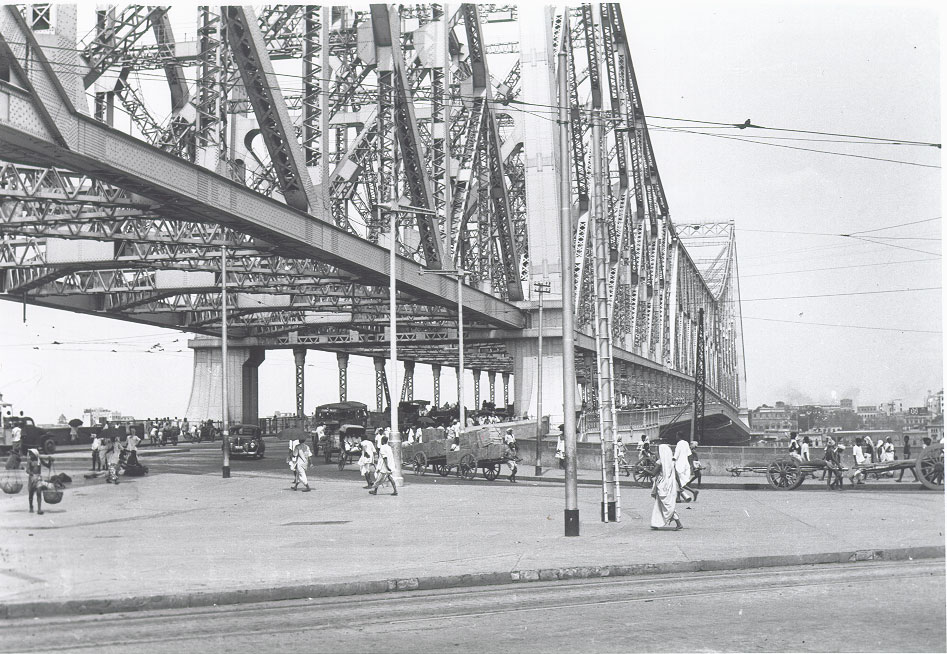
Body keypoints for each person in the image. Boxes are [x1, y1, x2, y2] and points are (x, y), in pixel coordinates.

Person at [650, 444, 683, 530]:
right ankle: (656, 522)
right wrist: (680, 485)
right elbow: (676, 475)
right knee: (664, 504)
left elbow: (653, 473)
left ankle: (678, 523)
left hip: (662, 486)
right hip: (670, 486)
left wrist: (645, 470)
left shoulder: (660, 462)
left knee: (665, 505)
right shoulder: (671, 463)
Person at [26, 449, 52, 515]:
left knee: (39, 492)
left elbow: (48, 466)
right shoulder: (29, 461)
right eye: (30, 454)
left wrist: (49, 460)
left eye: (31, 454)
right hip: (32, 478)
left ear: (35, 454)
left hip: (38, 478)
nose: (30, 455)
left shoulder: (39, 460)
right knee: (31, 494)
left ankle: (39, 509)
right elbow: (27, 470)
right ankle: (31, 506)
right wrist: (30, 473)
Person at [673, 436, 698, 502]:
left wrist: (673, 459)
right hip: (685, 464)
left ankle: (693, 491)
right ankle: (678, 498)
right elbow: (689, 455)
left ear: (678, 436)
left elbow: (676, 454)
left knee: (678, 481)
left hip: (679, 465)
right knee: (678, 481)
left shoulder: (679, 444)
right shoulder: (686, 443)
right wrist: (691, 465)